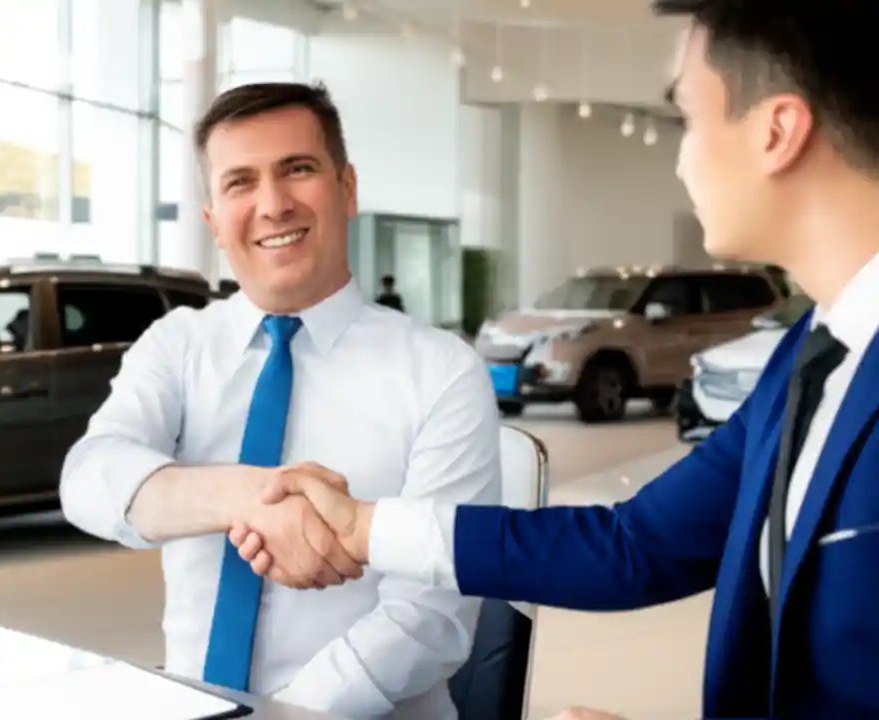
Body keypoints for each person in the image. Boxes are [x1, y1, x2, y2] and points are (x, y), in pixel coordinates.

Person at [230, 1, 879, 718]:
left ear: (776, 132)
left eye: (688, 119)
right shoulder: (813, 356)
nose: (680, 154)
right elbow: (637, 544)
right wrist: (362, 526)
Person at [59, 82, 501, 719]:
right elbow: (90, 478)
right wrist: (248, 498)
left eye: (298, 169)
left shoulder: (441, 371)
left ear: (347, 189)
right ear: (213, 220)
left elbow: (428, 618)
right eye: (240, 182)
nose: (273, 204)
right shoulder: (178, 345)